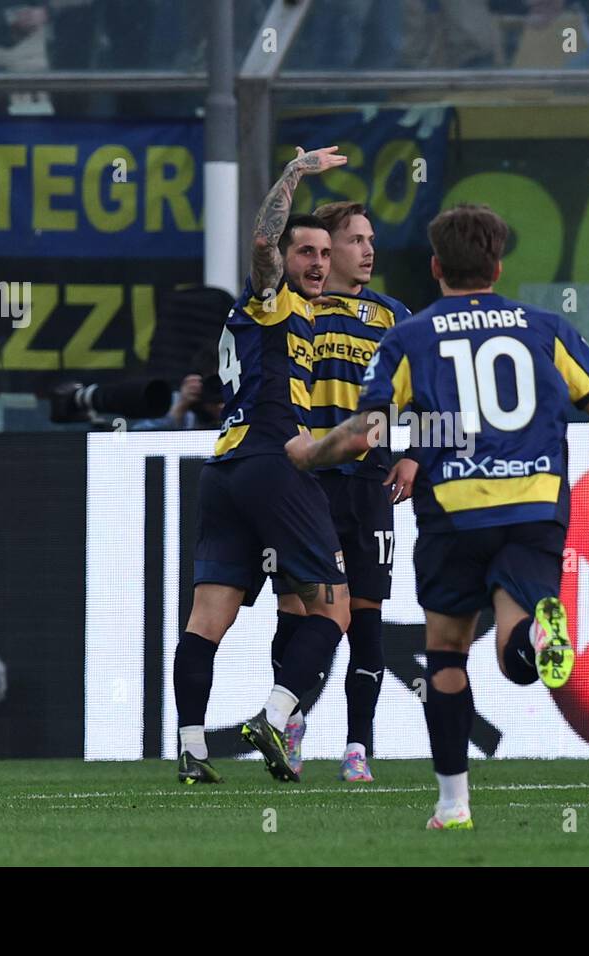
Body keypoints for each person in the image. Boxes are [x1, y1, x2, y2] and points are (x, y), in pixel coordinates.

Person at [286, 204, 589, 829]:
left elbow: (368, 431)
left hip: (454, 511)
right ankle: (534, 633)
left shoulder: (410, 336)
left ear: (436, 267)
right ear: (498, 266)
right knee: (514, 640)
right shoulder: (545, 328)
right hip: (533, 507)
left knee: (447, 656)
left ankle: (453, 805)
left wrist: (313, 453)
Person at [173, 145, 351, 786]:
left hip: (225, 469)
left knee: (207, 618)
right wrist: (293, 175)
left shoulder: (291, 314)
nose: (317, 263)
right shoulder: (269, 299)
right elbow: (260, 244)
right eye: (307, 252)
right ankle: (275, 717)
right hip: (274, 462)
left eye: (325, 254)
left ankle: (192, 750)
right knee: (334, 609)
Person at [270, 201, 417, 783]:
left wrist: (414, 455)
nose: (367, 250)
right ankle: (291, 723)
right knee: (299, 612)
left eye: (370, 239)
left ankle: (358, 746)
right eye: (354, 240)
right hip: (302, 487)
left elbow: (433, 392)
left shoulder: (392, 315)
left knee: (366, 619)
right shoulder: (293, 310)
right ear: (323, 253)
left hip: (367, 485)